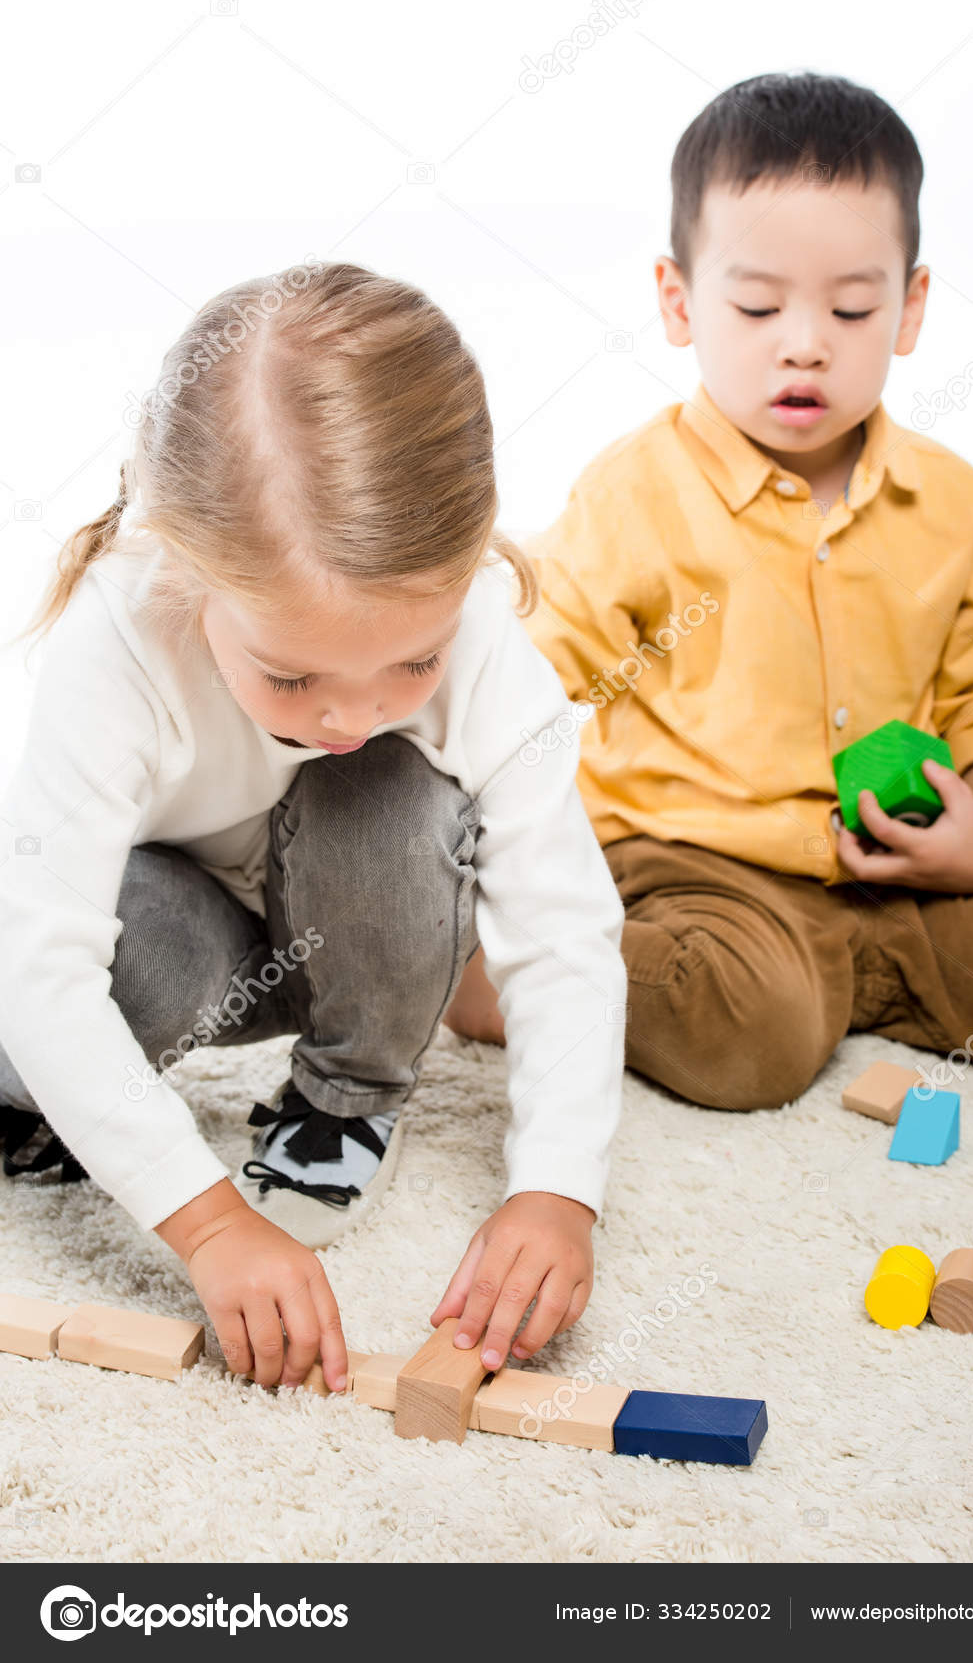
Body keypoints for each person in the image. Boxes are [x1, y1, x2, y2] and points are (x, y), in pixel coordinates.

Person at [0, 261, 626, 1394]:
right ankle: (38, 1114)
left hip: (343, 935)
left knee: (392, 788)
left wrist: (557, 1187)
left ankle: (342, 1107)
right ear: (189, 567)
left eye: (412, 661)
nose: (349, 711)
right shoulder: (119, 636)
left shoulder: (479, 628)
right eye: (292, 675)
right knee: (87, 985)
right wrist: (203, 1221)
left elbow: (563, 923)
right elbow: (40, 965)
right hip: (171, 936)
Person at [444, 72, 973, 1107]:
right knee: (750, 1033)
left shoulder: (957, 504)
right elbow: (527, 672)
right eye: (758, 303)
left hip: (910, 872)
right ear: (680, 301)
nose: (805, 339)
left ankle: (867, 975)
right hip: (700, 870)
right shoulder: (636, 492)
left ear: (909, 308)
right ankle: (498, 976)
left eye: (852, 305)